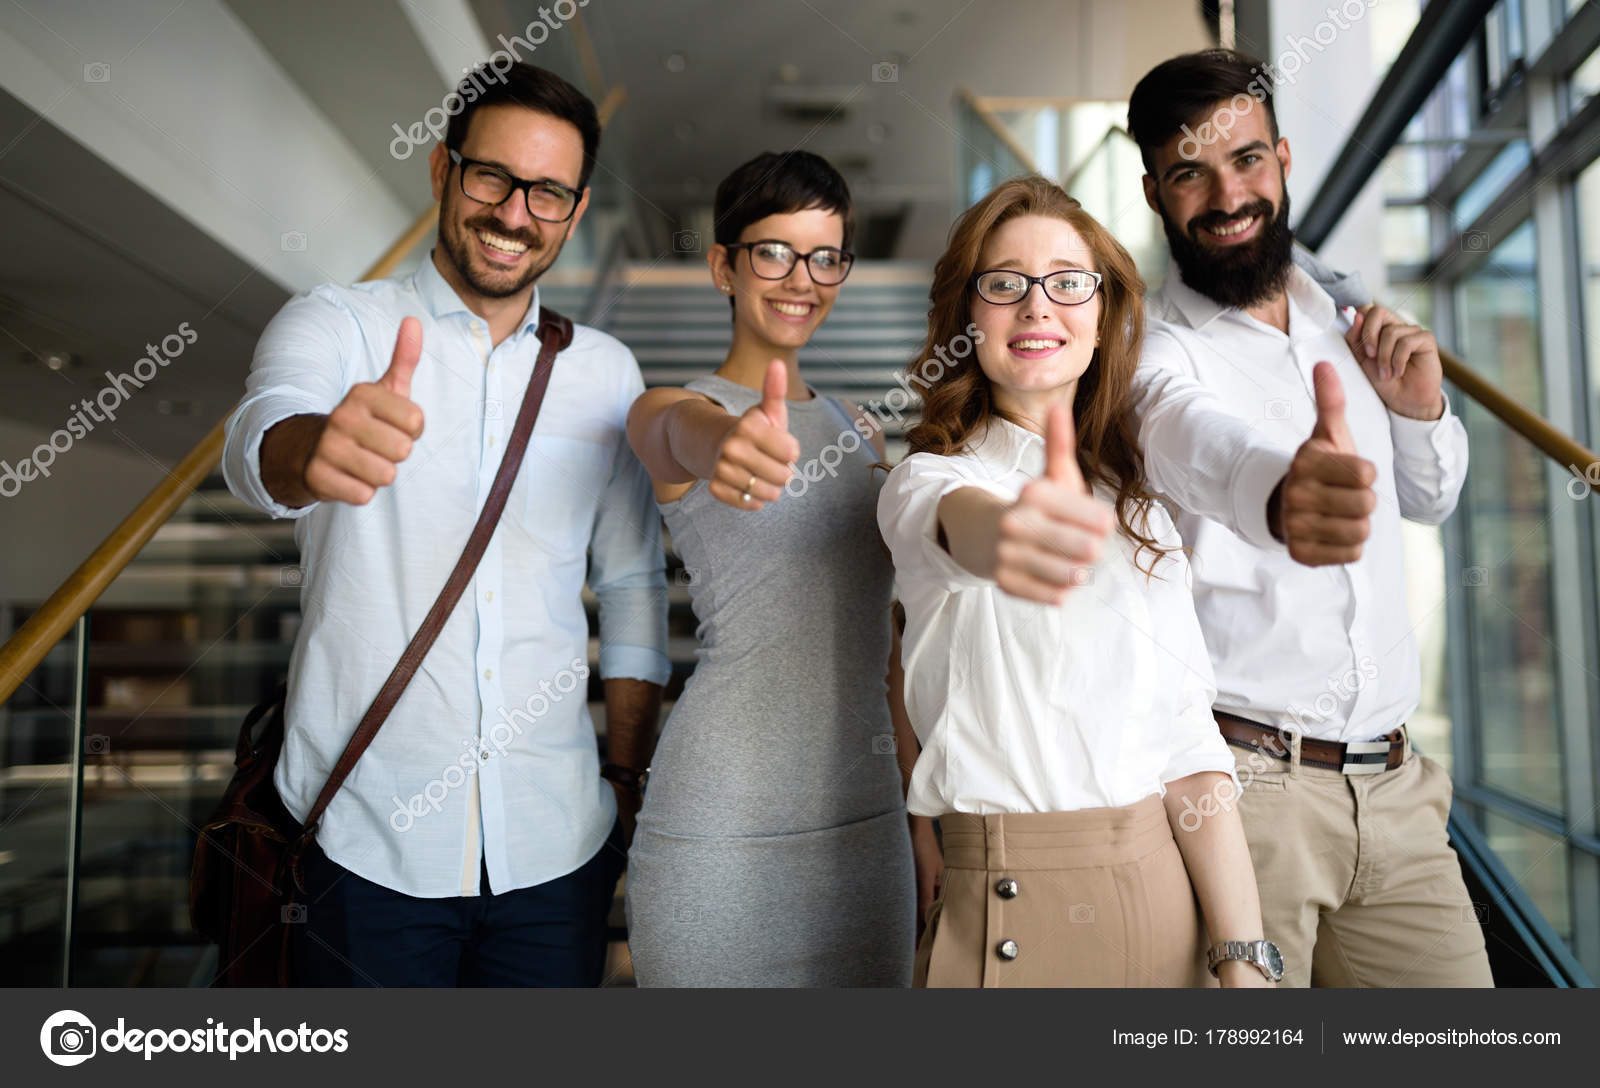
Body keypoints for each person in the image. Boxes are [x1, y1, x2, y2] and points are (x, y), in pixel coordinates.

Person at [221, 61, 669, 987]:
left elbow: (630, 584)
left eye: (547, 192)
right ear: (441, 172)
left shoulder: (605, 371)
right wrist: (313, 448)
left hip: (555, 847)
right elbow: (259, 437)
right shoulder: (340, 325)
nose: (514, 213)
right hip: (361, 845)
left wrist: (625, 780)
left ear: (576, 212)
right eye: (491, 177)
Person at [1125, 49, 1490, 987]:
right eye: (1189, 172)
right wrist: (1283, 494)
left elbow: (1432, 497)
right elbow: (1193, 442)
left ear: (1281, 159)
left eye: (1246, 160)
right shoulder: (1150, 355)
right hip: (1248, 799)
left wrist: (1419, 411)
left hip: (1402, 796)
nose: (1226, 194)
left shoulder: (1346, 323)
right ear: (1156, 193)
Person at [878, 176, 1277, 988]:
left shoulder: (1142, 515)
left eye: (1068, 282)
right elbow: (956, 528)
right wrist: (1010, 534)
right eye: (1004, 284)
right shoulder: (925, 482)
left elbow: (1191, 754)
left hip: (1164, 904)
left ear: (1101, 320)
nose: (1037, 307)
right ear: (967, 317)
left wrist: (1244, 958)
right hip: (1005, 909)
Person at [622, 150, 930, 986]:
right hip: (722, 821)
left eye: (826, 256)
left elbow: (889, 643)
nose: (804, 278)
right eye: (774, 252)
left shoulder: (860, 430)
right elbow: (674, 435)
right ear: (723, 264)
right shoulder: (673, 410)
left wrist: (919, 817)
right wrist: (727, 441)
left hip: (866, 823)